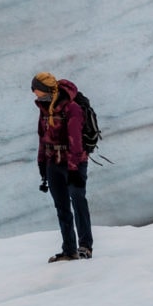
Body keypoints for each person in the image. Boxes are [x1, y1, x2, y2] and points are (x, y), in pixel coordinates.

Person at [33, 71, 93, 262]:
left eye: (36, 90)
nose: (35, 94)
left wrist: (74, 169)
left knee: (78, 201)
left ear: (45, 90)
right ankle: (69, 250)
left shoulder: (72, 108)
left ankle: (85, 247)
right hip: (53, 163)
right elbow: (42, 138)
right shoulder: (44, 108)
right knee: (62, 207)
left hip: (72, 163)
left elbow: (75, 141)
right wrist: (42, 164)